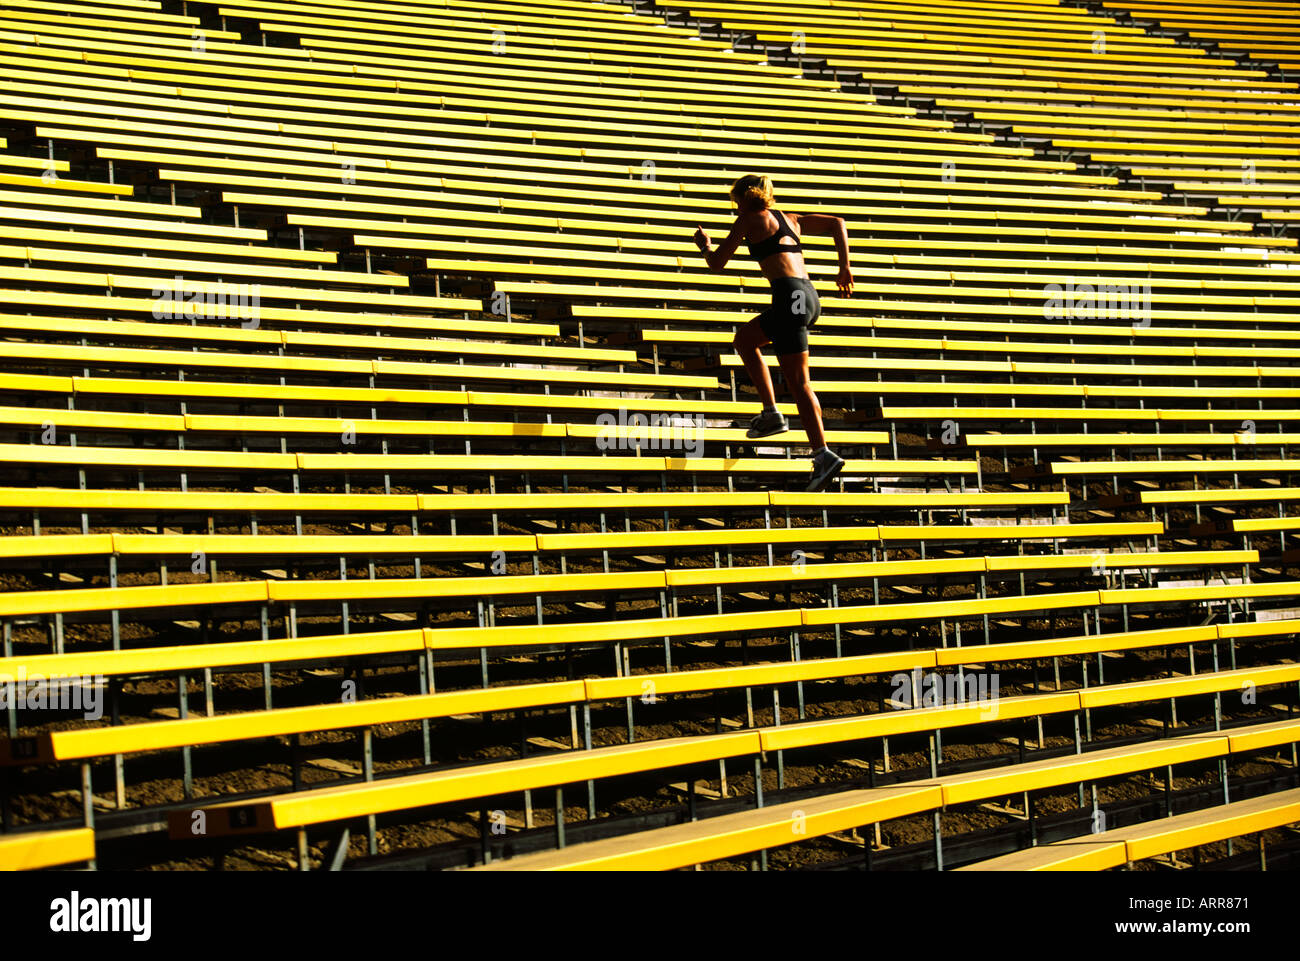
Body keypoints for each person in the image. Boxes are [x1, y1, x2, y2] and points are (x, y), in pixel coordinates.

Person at [692, 174, 854, 492]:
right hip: (808, 295)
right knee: (746, 341)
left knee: (798, 382)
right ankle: (772, 415)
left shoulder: (747, 220)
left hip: (788, 295)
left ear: (742, 197)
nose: (734, 204)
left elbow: (717, 263)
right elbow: (838, 222)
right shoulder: (790, 218)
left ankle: (819, 452)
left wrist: (705, 247)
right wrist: (844, 266)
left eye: (734, 199)